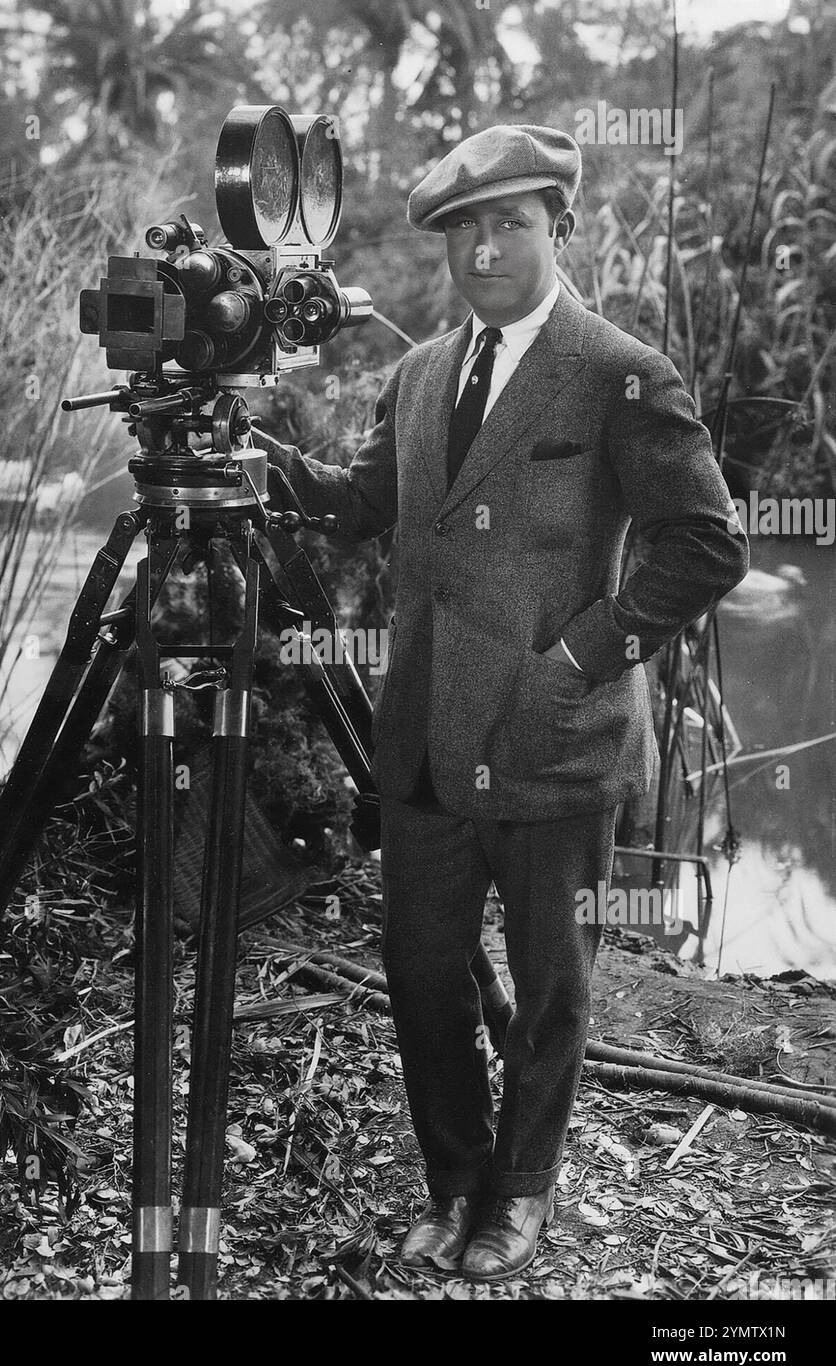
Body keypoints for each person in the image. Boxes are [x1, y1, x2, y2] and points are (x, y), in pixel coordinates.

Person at [260, 124, 749, 1280]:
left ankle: (520, 1193)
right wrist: (270, 463)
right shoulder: (422, 371)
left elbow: (706, 545)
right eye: (462, 229)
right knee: (421, 973)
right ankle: (454, 1179)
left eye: (509, 223)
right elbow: (367, 501)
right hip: (424, 739)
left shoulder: (618, 369)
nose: (481, 249)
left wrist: (582, 656)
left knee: (548, 990)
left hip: (549, 737)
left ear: (557, 228)